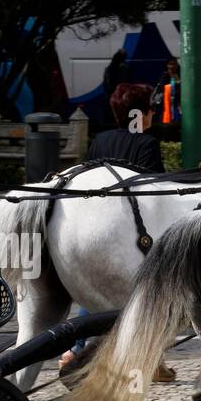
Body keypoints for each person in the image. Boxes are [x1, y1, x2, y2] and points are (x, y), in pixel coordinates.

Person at [57, 81, 175, 382]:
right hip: (133, 234)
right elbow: (155, 192)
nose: (151, 113)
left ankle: (75, 348)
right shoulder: (146, 144)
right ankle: (147, 359)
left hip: (93, 228)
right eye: (150, 108)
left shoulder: (102, 140)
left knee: (93, 287)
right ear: (141, 114)